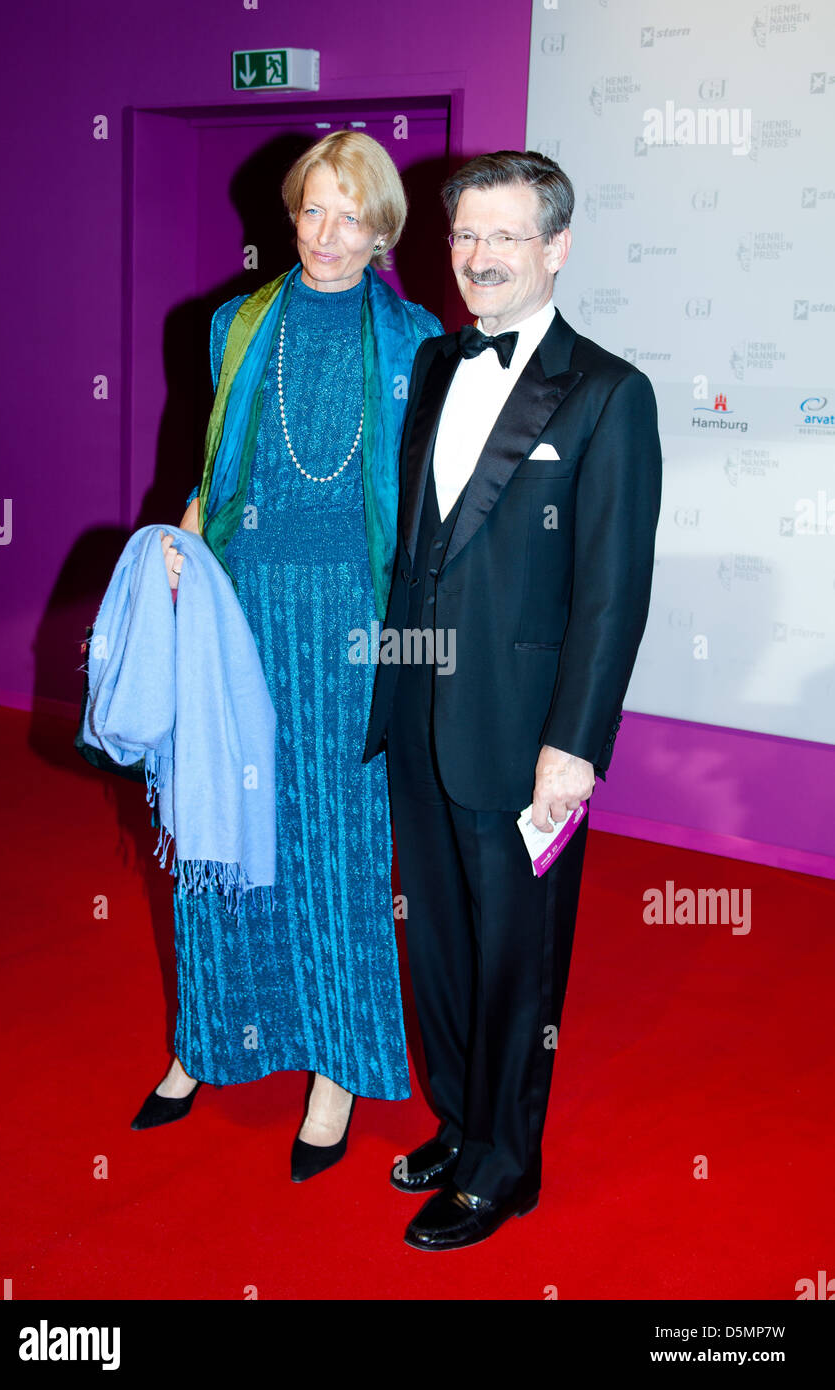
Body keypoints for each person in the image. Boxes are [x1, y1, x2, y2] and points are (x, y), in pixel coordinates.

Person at [130, 131, 443, 1181]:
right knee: (222, 821)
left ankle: (338, 1067)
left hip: (354, 617)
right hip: (241, 607)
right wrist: (183, 539)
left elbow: (429, 507)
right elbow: (214, 469)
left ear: (382, 229)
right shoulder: (233, 323)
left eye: (351, 215)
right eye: (313, 209)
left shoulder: (411, 339)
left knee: (340, 838)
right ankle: (209, 1037)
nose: (327, 235)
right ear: (289, 212)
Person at [364, 150, 662, 1248]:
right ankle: (459, 1117)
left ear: (555, 247)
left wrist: (573, 747)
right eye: (463, 237)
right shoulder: (440, 364)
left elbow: (610, 595)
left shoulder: (606, 395)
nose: (479, 257)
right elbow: (419, 545)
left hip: (526, 734)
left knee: (515, 957)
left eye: (503, 236)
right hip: (418, 715)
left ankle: (505, 1165)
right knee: (439, 943)